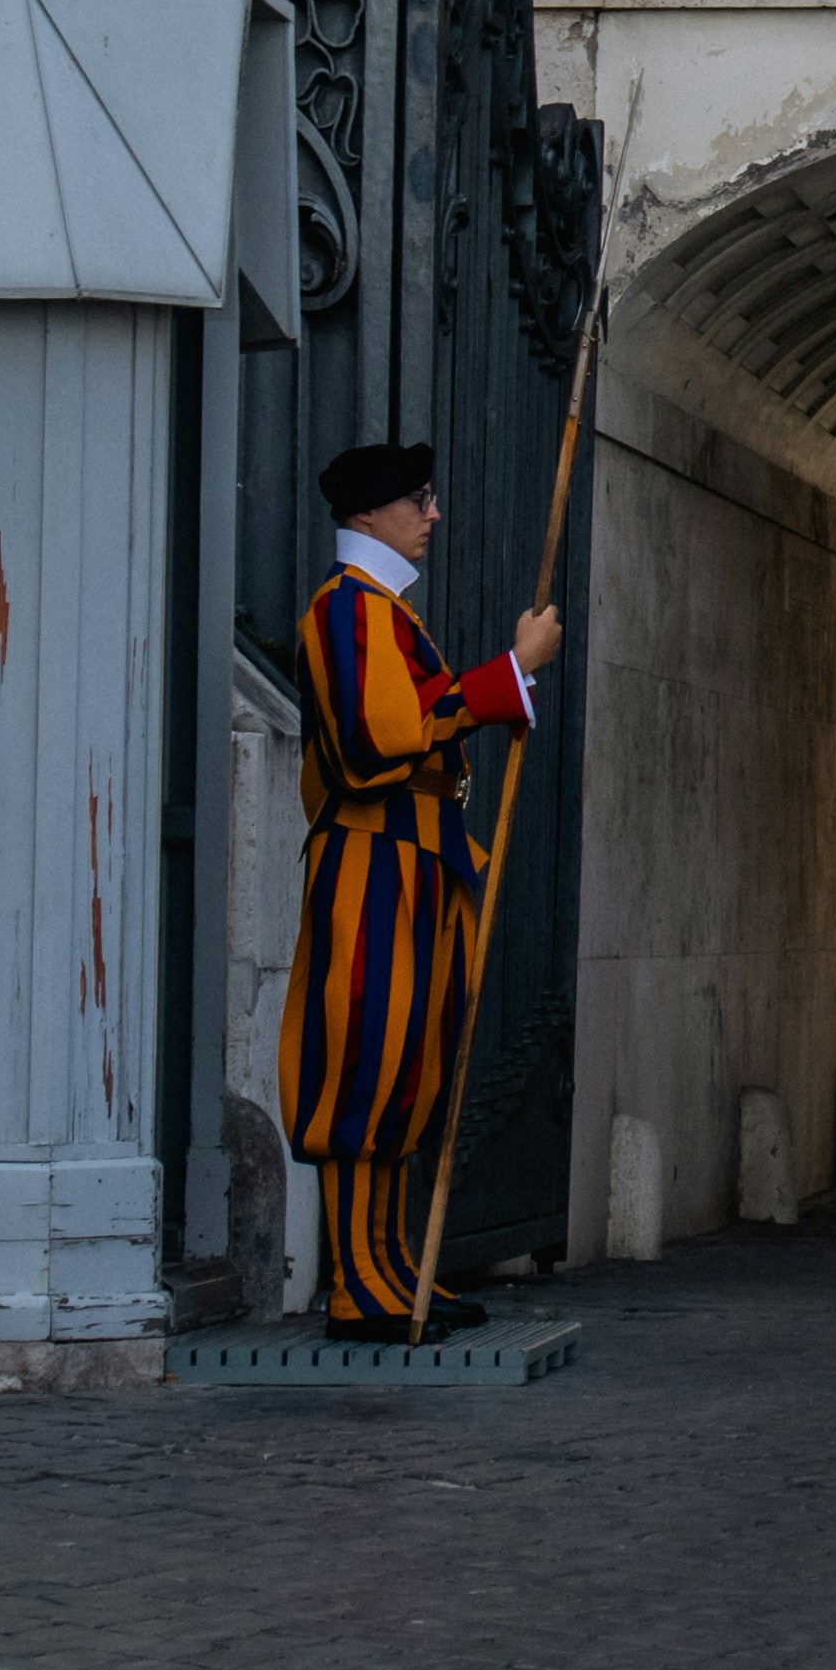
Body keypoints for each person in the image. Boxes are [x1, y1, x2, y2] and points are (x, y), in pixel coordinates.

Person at [283, 440, 563, 1336]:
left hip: (415, 856)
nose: (432, 514)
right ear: (367, 516)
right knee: (365, 1060)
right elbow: (376, 743)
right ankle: (356, 1280)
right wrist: (508, 675)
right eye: (416, 500)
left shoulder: (384, 613)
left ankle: (390, 1266)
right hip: (373, 859)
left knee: (410, 1068)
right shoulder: (347, 610)